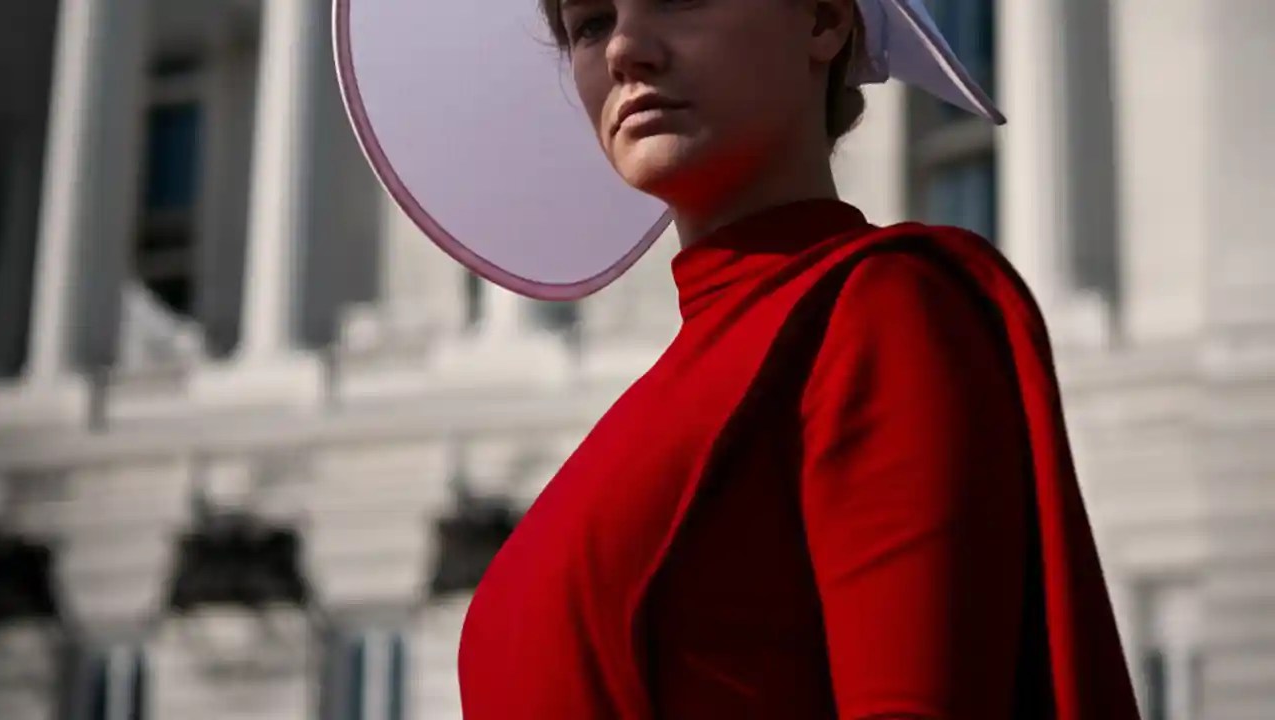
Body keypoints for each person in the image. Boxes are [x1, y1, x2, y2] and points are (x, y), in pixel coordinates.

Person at [335, 0, 1142, 717]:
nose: (624, 49)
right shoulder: (650, 412)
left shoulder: (879, 310)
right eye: (589, 23)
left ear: (824, 18)